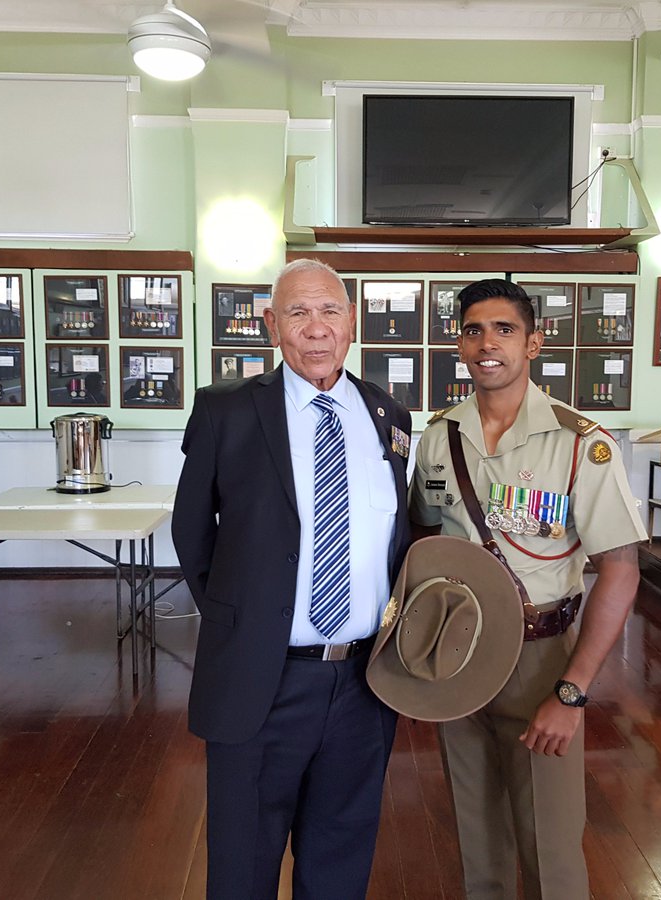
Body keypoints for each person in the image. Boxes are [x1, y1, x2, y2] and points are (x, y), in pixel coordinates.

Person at [172, 258, 412, 900]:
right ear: (272, 326)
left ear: (352, 324)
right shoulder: (226, 412)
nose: (315, 329)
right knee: (243, 865)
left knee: (340, 857)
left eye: (330, 312)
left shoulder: (388, 417)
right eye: (298, 313)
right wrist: (241, 623)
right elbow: (191, 533)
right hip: (262, 678)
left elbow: (398, 542)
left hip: (364, 685)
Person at [408, 278, 646, 899]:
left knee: (551, 846)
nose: (487, 344)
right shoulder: (439, 437)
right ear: (459, 346)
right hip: (456, 650)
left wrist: (572, 694)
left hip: (541, 657)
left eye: (504, 330)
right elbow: (421, 543)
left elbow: (621, 571)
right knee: (475, 830)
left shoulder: (580, 443)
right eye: (472, 331)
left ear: (534, 344)